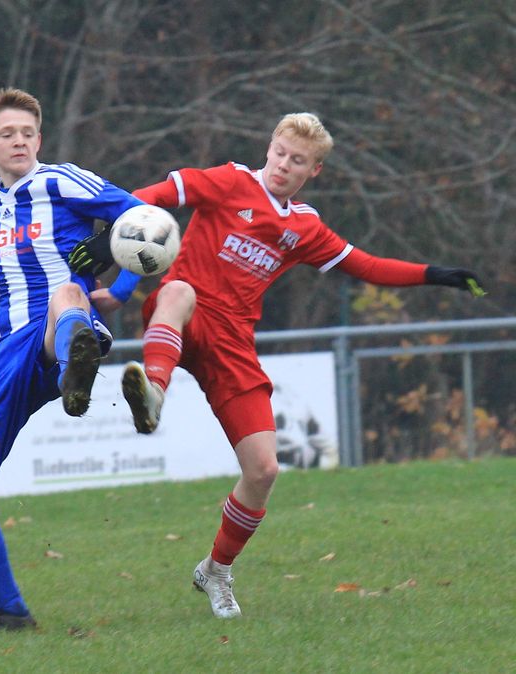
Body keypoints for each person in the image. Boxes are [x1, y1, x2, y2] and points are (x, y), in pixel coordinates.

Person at [68, 112, 484, 619]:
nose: (284, 166)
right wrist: (118, 257)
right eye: (281, 153)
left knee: (264, 470)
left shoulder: (304, 227)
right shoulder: (229, 181)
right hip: (186, 313)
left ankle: (215, 571)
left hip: (234, 344)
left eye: (299, 161)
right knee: (175, 289)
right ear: (269, 148)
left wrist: (435, 275)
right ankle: (153, 391)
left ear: (315, 171)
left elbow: (367, 266)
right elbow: (145, 199)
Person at [0, 88, 145, 634]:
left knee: (64, 295)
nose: (19, 141)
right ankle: (10, 615)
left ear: (40, 139)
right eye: (8, 134)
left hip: (62, 321)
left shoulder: (61, 180)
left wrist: (120, 284)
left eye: (28, 133)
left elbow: (143, 218)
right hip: (1, 349)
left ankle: (72, 366)